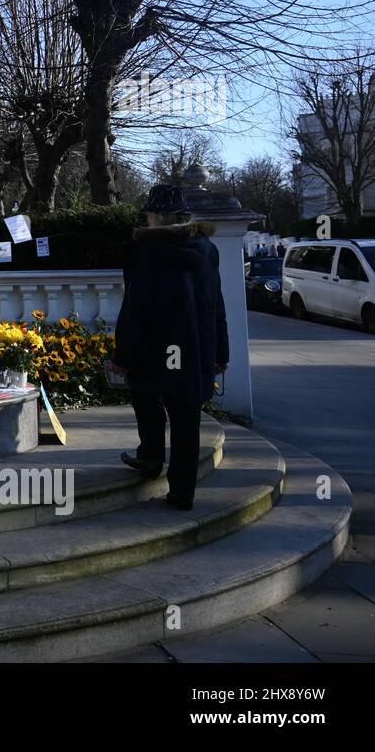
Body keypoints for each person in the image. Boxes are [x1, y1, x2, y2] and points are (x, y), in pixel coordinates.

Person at [110, 185, 229, 511]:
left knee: (145, 396)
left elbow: (137, 309)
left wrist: (123, 355)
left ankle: (150, 457)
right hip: (194, 347)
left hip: (156, 346)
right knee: (186, 419)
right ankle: (182, 493)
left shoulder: (146, 252)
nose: (145, 219)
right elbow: (216, 304)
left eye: (148, 213)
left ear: (158, 217)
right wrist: (221, 352)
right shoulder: (207, 249)